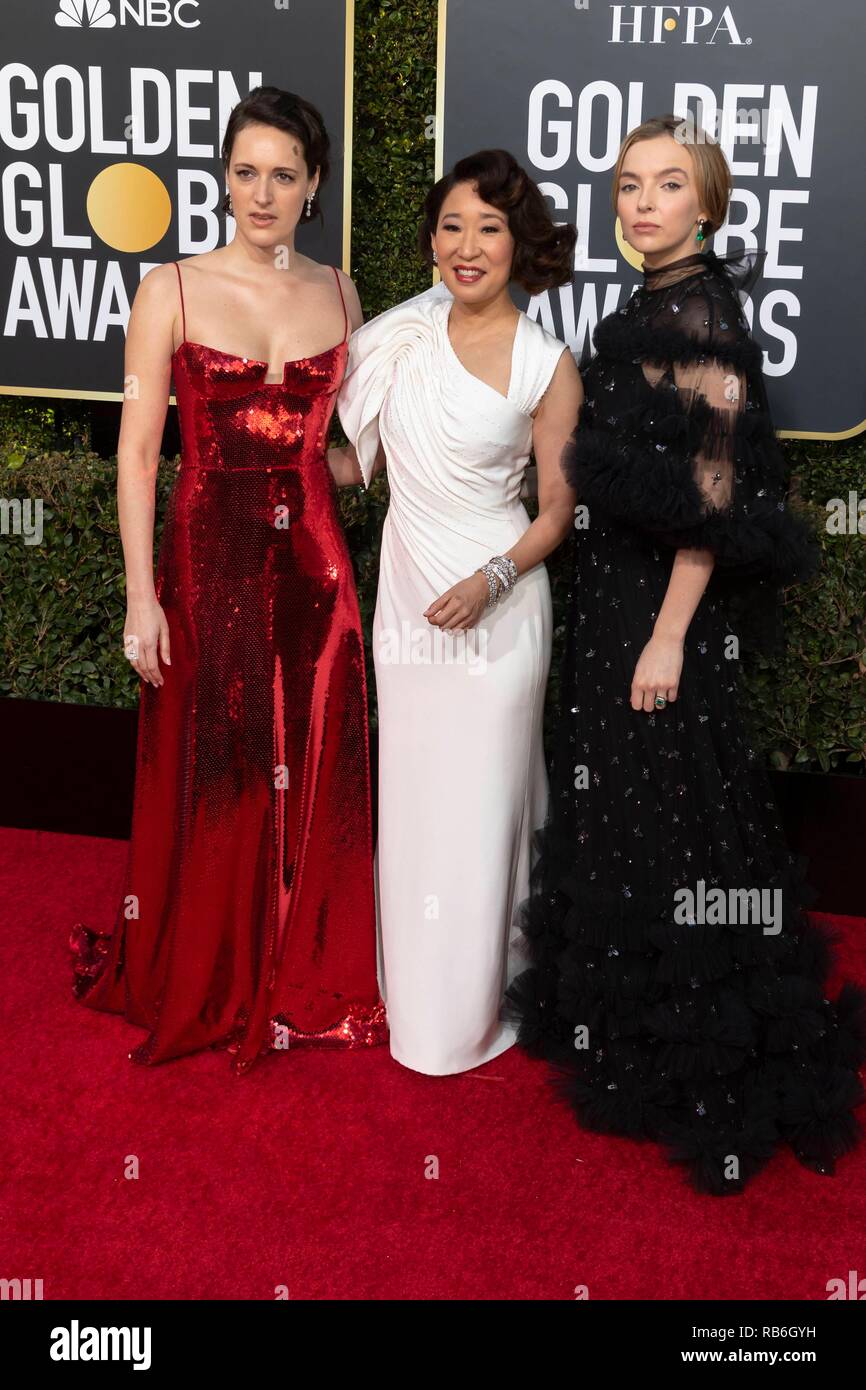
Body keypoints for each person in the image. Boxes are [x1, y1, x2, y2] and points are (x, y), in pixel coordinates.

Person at [505, 115, 866, 1193]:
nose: (641, 203)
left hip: (662, 611)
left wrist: (666, 635)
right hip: (615, 596)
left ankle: (692, 1050)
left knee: (673, 812)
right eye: (627, 186)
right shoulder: (644, 306)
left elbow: (712, 502)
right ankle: (627, 1024)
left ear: (704, 205)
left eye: (666, 186)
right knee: (625, 808)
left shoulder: (702, 314)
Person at [70, 87, 387, 1073]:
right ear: (223, 177)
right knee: (217, 768)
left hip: (314, 575)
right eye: (245, 171)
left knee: (311, 772)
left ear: (313, 186)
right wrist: (137, 595)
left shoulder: (341, 295)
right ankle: (206, 969)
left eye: (283, 175)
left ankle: (298, 977)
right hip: (203, 567)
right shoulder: (167, 287)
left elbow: (341, 450)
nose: (261, 192)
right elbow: (134, 455)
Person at [331, 150, 582, 1074]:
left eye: (489, 228)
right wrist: (262, 462)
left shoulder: (548, 364)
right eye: (452, 227)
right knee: (417, 796)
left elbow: (557, 513)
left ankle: (481, 1005)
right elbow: (358, 467)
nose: (467, 248)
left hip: (499, 602)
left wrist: (492, 580)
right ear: (432, 238)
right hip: (406, 595)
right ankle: (418, 996)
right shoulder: (400, 336)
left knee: (484, 805)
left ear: (521, 244)